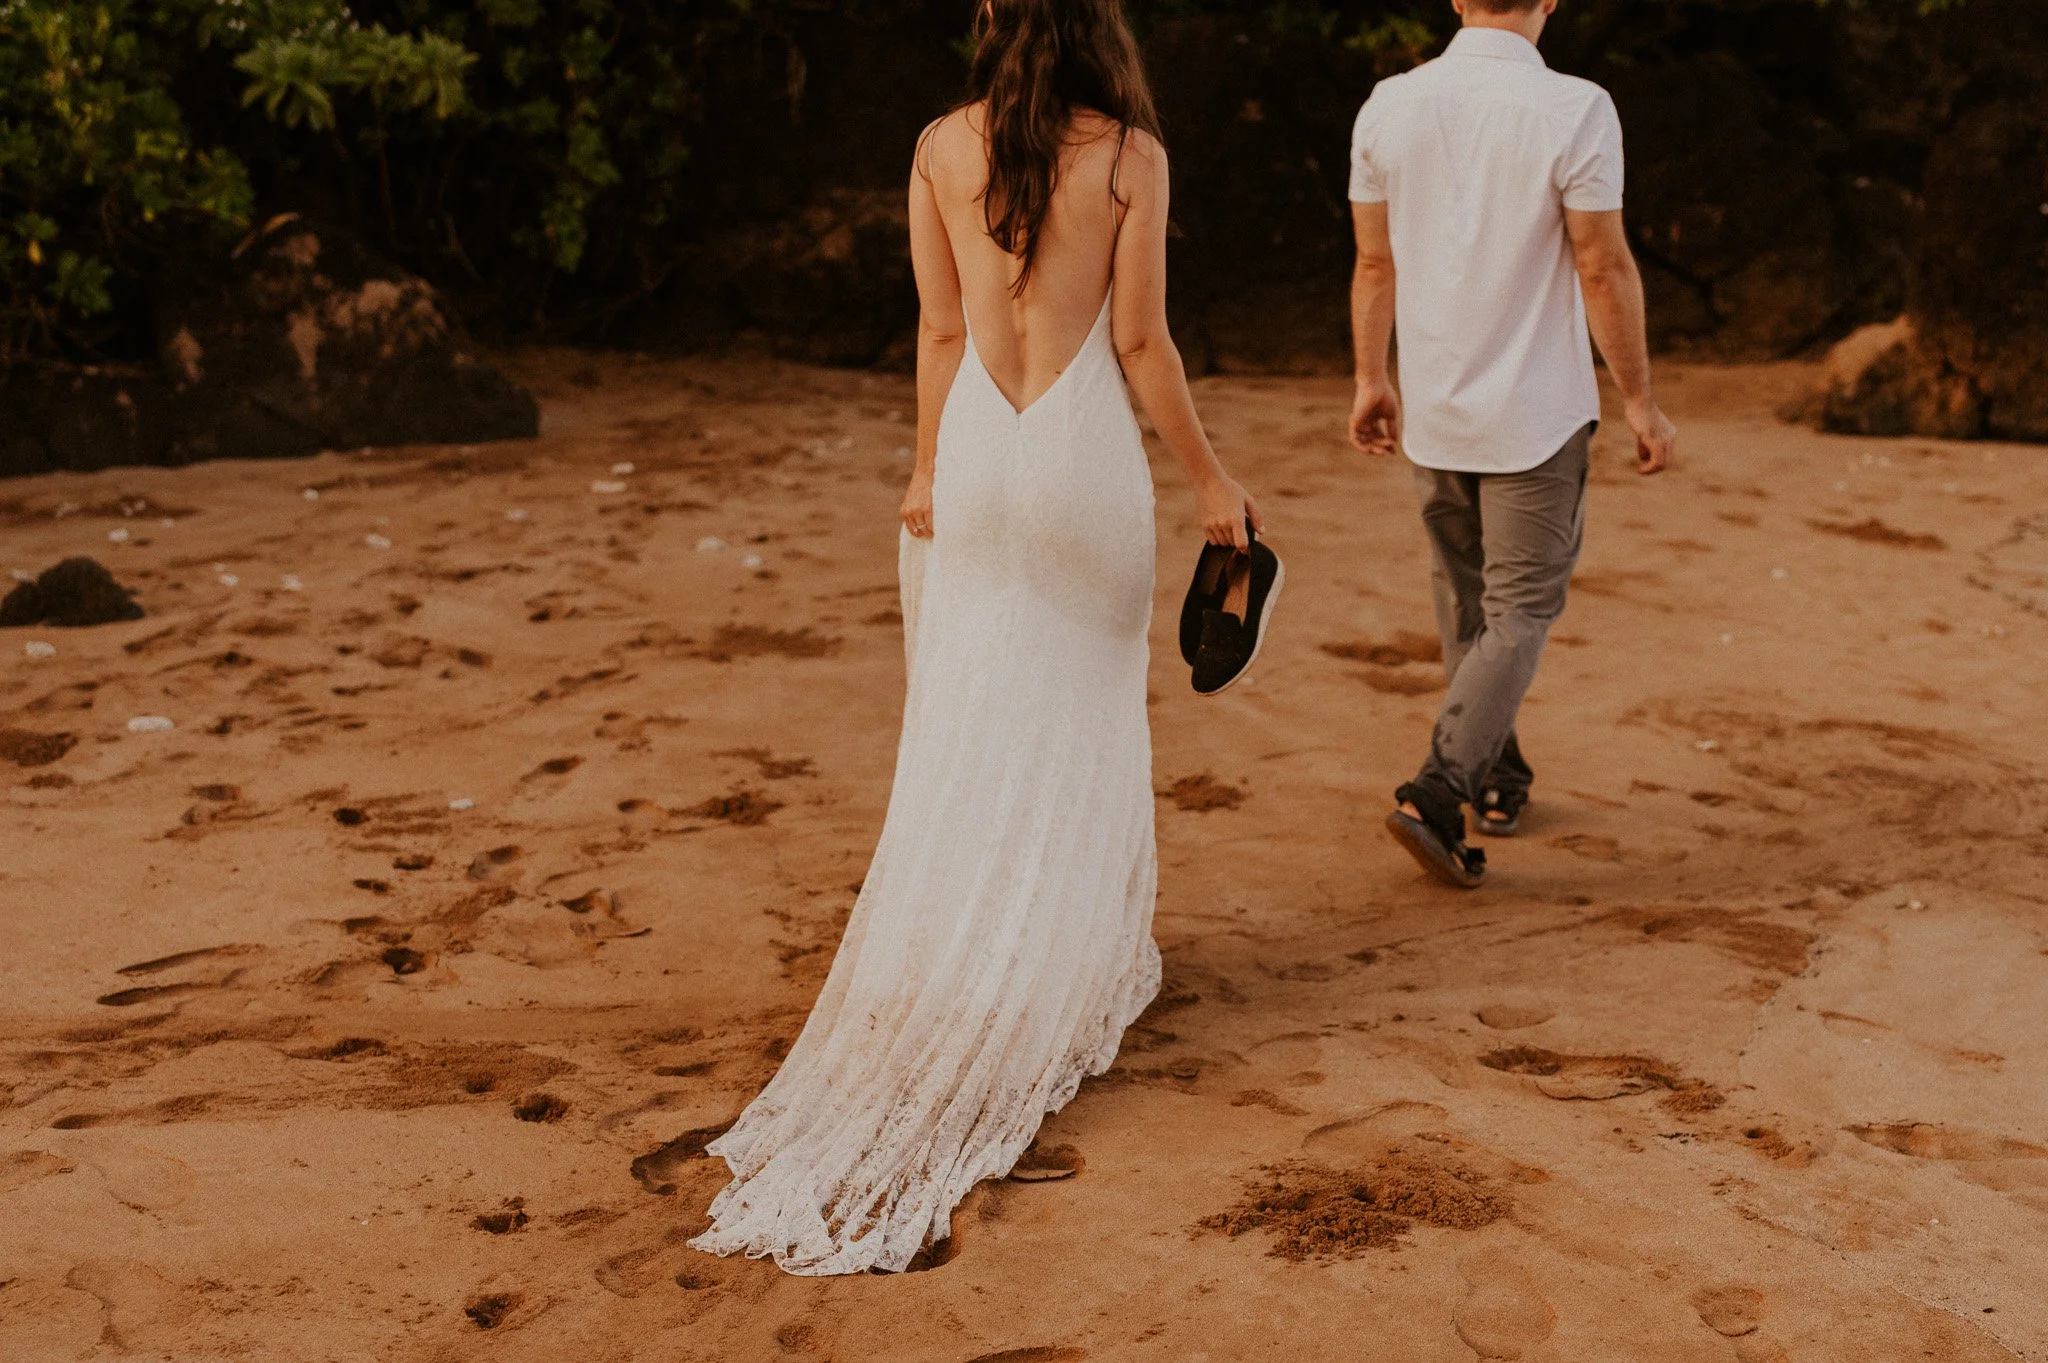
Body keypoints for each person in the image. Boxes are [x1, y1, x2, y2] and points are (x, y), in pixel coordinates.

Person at [687, 0, 1261, 1275]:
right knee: (1085, 713)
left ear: (992, 19)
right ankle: (1061, 967)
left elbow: (941, 329)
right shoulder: (1129, 160)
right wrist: (1211, 483)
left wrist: (920, 469)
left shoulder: (939, 146)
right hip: (1079, 461)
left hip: (978, 456)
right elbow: (1138, 341)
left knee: (968, 720)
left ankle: (960, 967)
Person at [1347, 0, 1676, 888]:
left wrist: (1371, 378)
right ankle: (1440, 790)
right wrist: (1640, 400)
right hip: (1536, 413)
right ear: (1548, 1)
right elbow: (1602, 266)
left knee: (1467, 605)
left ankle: (1499, 775)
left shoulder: (1389, 106)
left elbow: (1375, 264)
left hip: (1438, 408)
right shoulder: (1575, 108)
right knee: (1520, 609)